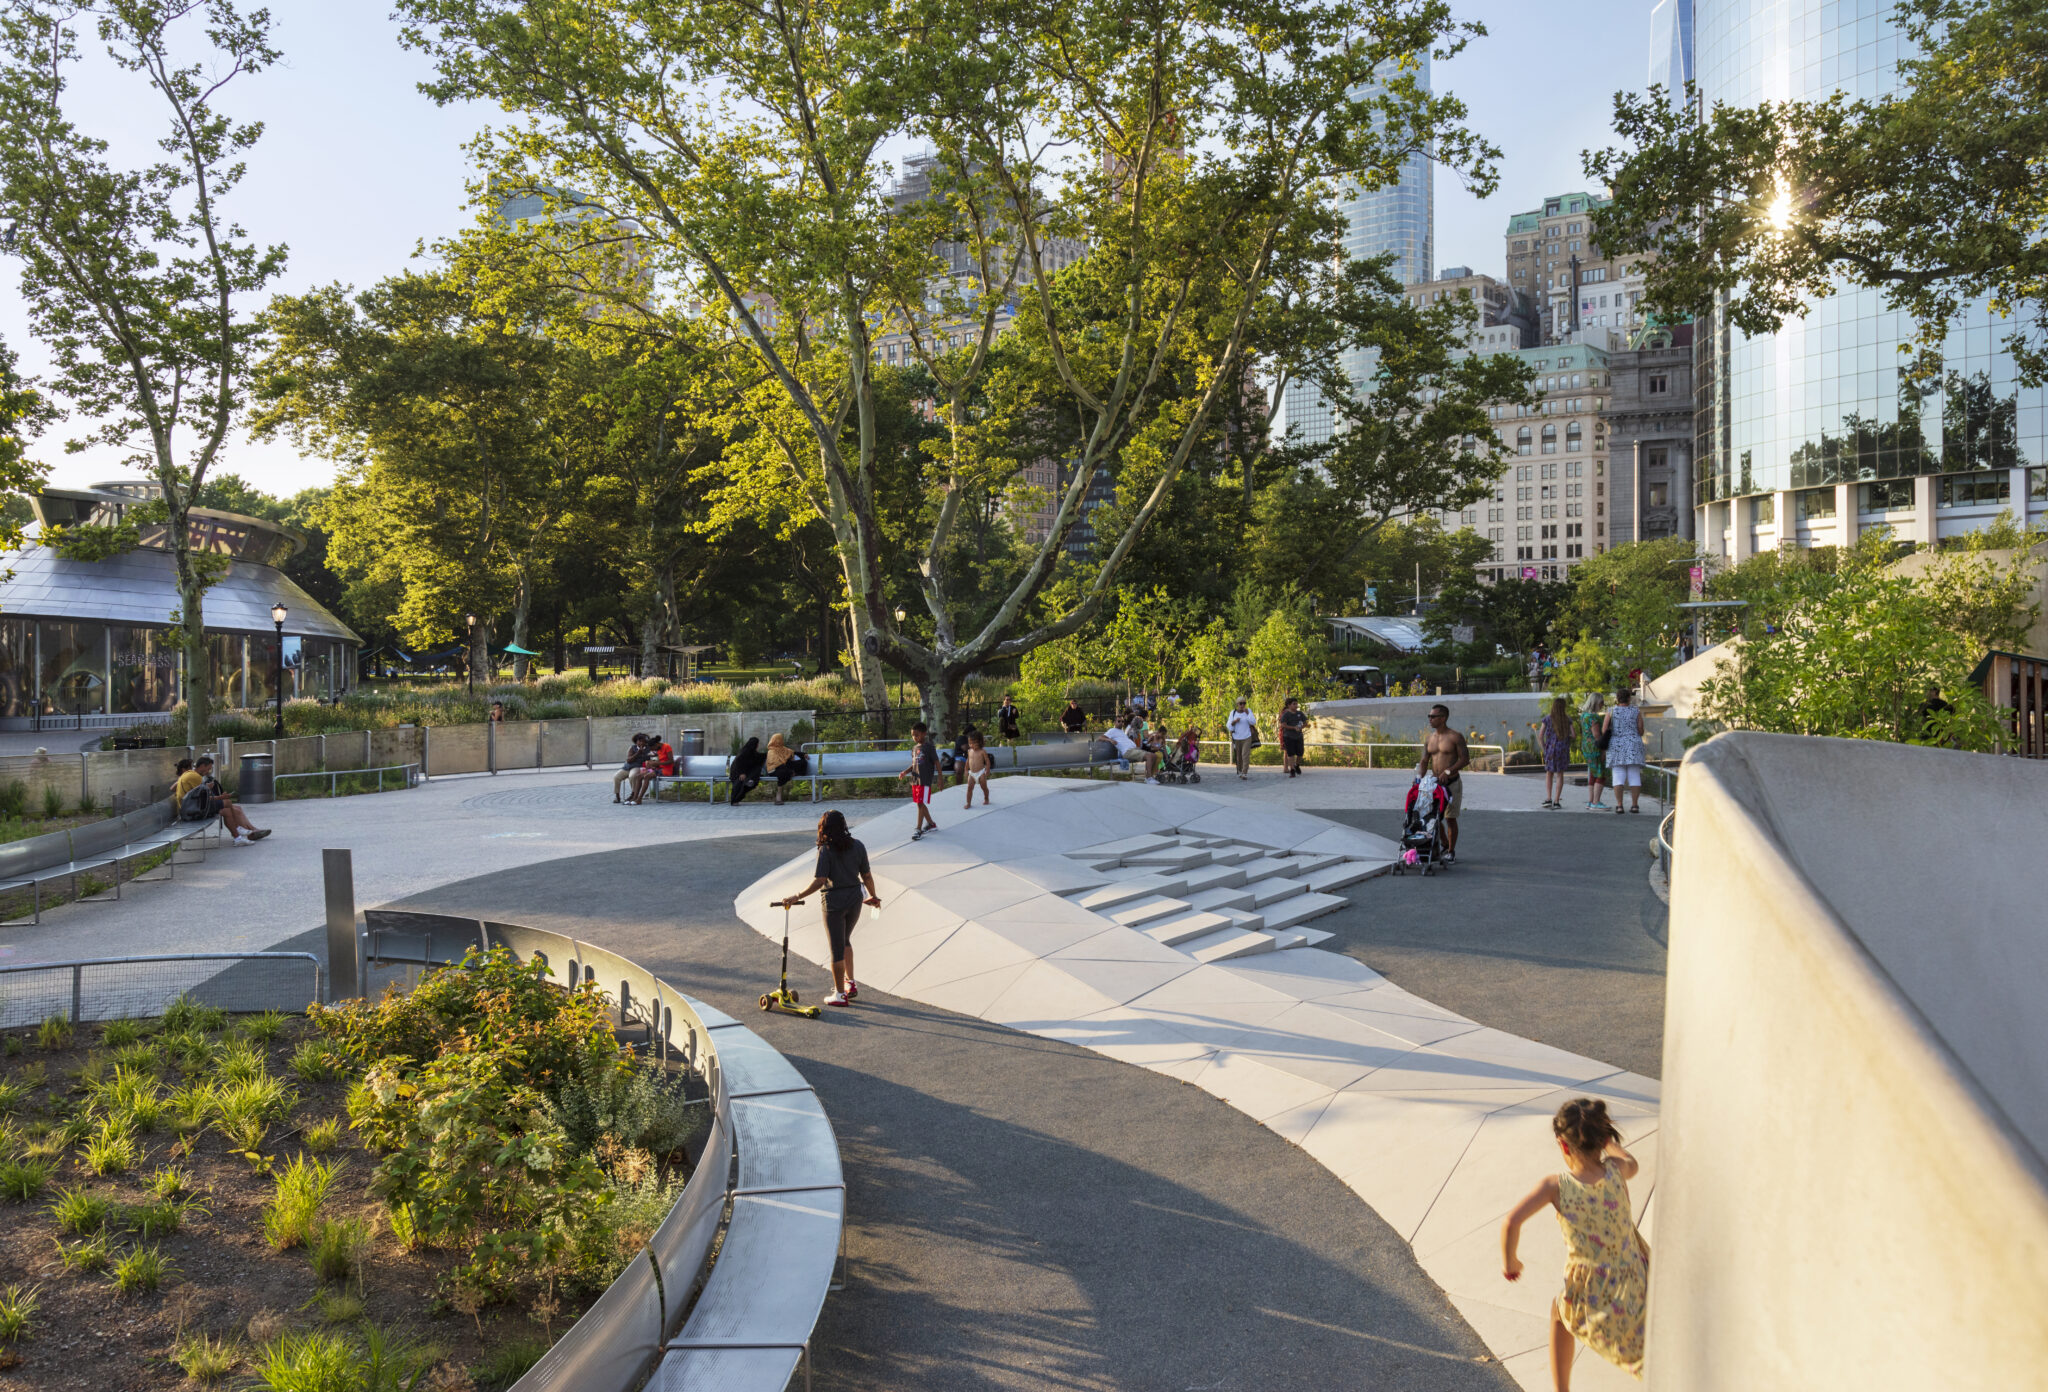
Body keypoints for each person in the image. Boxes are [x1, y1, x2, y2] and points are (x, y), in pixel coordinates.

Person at [1500, 1098, 1648, 1387]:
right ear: (1602, 1138)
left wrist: (1510, 1262)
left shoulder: (1556, 1186)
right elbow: (1633, 1163)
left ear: (1563, 1145)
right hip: (1634, 1279)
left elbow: (1511, 1222)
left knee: (1559, 1313)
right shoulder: (1617, 1170)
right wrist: (1608, 1143)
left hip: (1592, 1290)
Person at [771, 809, 882, 1007]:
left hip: (833, 902)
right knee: (846, 940)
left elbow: (820, 880)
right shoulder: (858, 846)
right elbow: (867, 876)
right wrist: (873, 896)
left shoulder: (826, 850)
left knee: (836, 948)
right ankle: (850, 983)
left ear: (825, 827)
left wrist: (796, 896)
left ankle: (839, 995)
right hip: (855, 898)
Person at [175, 755, 269, 844]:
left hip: (192, 808)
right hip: (193, 811)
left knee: (236, 808)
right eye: (208, 768)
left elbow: (200, 797)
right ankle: (241, 832)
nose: (208, 771)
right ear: (203, 766)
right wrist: (220, 797)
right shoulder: (195, 777)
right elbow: (204, 798)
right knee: (228, 805)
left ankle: (247, 832)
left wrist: (219, 796)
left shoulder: (189, 774)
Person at [1416, 704, 1469, 860]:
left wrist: (1448, 771)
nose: (1430, 719)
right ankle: (1444, 845)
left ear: (1443, 718)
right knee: (1433, 817)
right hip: (1435, 784)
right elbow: (1425, 760)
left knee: (1450, 818)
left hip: (1451, 782)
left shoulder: (1455, 736)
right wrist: (1419, 777)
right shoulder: (1429, 739)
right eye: (1429, 716)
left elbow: (1465, 759)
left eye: (1433, 716)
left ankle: (1451, 851)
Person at [1601, 688, 1646, 815]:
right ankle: (1635, 805)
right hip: (1633, 744)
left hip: (1616, 745)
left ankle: (1619, 805)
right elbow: (1641, 731)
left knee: (1618, 775)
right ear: (1629, 698)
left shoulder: (1611, 711)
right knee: (1634, 775)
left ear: (1617, 699)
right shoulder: (1636, 711)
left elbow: (1604, 730)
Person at [897, 722, 940, 840]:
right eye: (912, 735)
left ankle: (918, 829)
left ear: (924, 734)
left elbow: (937, 763)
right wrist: (905, 772)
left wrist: (940, 779)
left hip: (925, 780)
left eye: (917, 735)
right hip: (915, 780)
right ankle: (931, 824)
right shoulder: (914, 748)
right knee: (919, 803)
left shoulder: (929, 747)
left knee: (920, 803)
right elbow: (914, 764)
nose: (914, 737)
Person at [1540, 696, 1573, 810]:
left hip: (1550, 749)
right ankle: (1557, 801)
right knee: (1560, 774)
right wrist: (1566, 738)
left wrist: (1544, 747)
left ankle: (1548, 798)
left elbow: (1540, 735)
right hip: (1562, 750)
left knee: (1549, 773)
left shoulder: (1547, 718)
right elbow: (1573, 735)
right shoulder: (1567, 719)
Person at [1103, 719, 1160, 783]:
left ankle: (1150, 777)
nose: (1121, 723)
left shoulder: (1121, 731)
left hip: (1133, 749)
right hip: (1127, 752)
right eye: (1119, 721)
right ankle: (1148, 778)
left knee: (1154, 756)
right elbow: (1101, 738)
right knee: (1149, 756)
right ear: (1115, 722)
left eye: (1122, 721)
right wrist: (1110, 740)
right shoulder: (1112, 730)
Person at [1578, 693, 1609, 810]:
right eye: (1601, 702)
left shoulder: (1584, 715)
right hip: (1595, 748)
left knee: (1592, 773)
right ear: (1596, 702)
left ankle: (1591, 801)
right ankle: (1596, 802)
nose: (1602, 705)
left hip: (1586, 747)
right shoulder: (1593, 717)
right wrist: (1603, 750)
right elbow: (1597, 735)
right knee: (1601, 774)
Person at [763, 732, 808, 805]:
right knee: (784, 772)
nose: (779, 741)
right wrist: (788, 769)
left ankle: (793, 773)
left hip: (785, 767)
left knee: (803, 762)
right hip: (774, 770)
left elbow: (793, 752)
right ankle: (779, 796)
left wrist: (804, 754)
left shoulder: (783, 749)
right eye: (778, 740)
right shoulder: (771, 751)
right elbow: (775, 765)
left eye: (780, 739)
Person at [727, 736, 767, 805]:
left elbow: (759, 757)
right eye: (757, 744)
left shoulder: (752, 752)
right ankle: (734, 800)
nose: (758, 745)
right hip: (737, 773)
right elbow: (738, 762)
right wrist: (741, 773)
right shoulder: (745, 752)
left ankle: (749, 781)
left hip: (745, 773)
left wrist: (768, 753)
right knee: (739, 782)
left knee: (756, 769)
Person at [1225, 698, 1259, 780]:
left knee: (1245, 755)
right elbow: (1229, 726)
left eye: (1244, 703)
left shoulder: (1248, 711)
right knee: (1239, 756)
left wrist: (1248, 714)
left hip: (1247, 737)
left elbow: (1253, 722)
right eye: (1241, 703)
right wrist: (1234, 721)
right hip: (1236, 737)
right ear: (1237, 704)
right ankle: (1239, 770)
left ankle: (1244, 773)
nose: (1242, 705)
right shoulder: (1233, 713)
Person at [613, 733, 650, 803]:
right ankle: (617, 796)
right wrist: (638, 753)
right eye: (639, 741)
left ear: (646, 742)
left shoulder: (648, 749)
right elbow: (629, 760)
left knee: (632, 776)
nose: (641, 743)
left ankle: (633, 794)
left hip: (637, 767)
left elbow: (650, 759)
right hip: (627, 767)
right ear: (636, 741)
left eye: (643, 741)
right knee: (616, 777)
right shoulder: (632, 748)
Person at [961, 731, 994, 807]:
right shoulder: (969, 751)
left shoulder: (982, 751)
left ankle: (986, 798)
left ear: (979, 742)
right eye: (970, 743)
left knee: (984, 787)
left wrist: (987, 769)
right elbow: (967, 761)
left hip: (981, 772)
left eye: (973, 743)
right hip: (972, 773)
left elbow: (987, 761)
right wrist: (966, 770)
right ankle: (968, 803)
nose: (971, 745)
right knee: (969, 788)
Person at [1277, 697, 1308, 777]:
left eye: (1296, 704)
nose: (1296, 705)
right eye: (1294, 704)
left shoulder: (1300, 713)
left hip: (1299, 736)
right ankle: (1292, 770)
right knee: (1290, 754)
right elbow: (1283, 725)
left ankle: (1297, 765)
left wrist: (1301, 727)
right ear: (1289, 705)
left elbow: (1305, 723)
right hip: (1288, 736)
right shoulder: (1286, 714)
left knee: (1300, 753)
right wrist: (1293, 728)